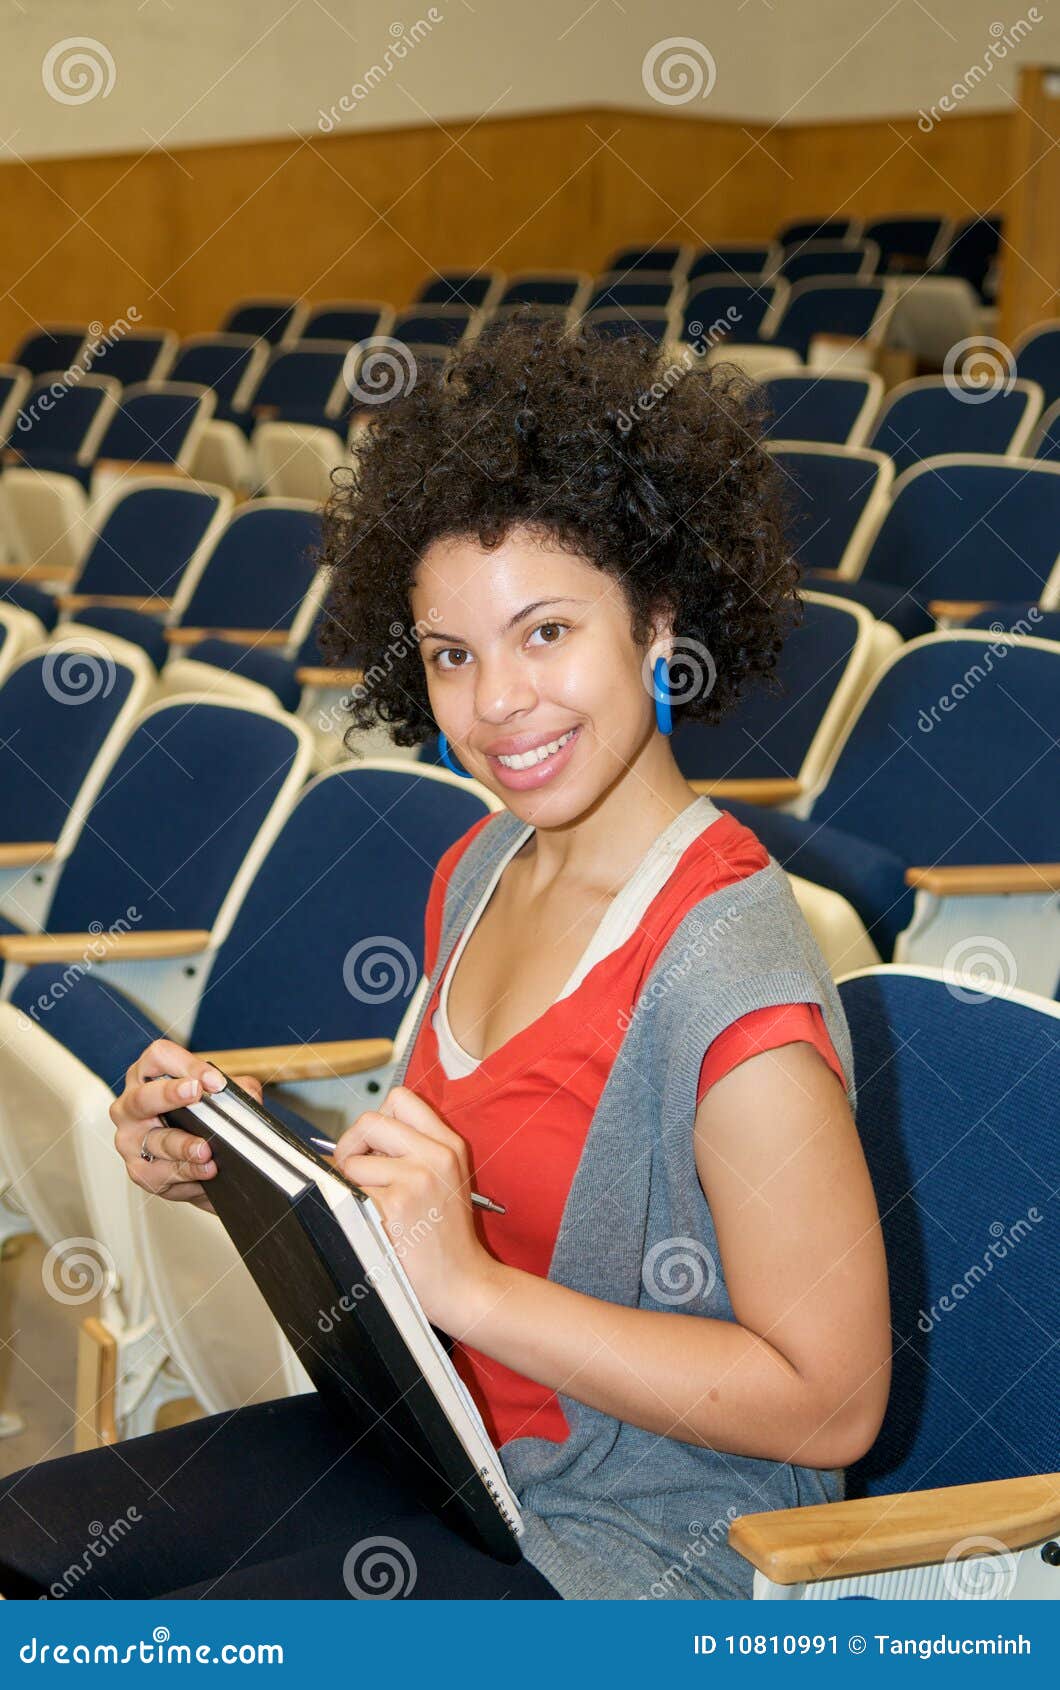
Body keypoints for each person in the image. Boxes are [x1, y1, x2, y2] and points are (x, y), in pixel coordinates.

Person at [0, 316, 890, 1601]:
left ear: (656, 621)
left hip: (631, 1551)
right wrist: (246, 1171)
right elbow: (456, 1205)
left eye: (545, 633)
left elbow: (834, 1404)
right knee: (26, 1554)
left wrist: (470, 1292)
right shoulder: (480, 869)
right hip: (444, 1452)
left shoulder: (728, 976)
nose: (496, 705)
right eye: (452, 655)